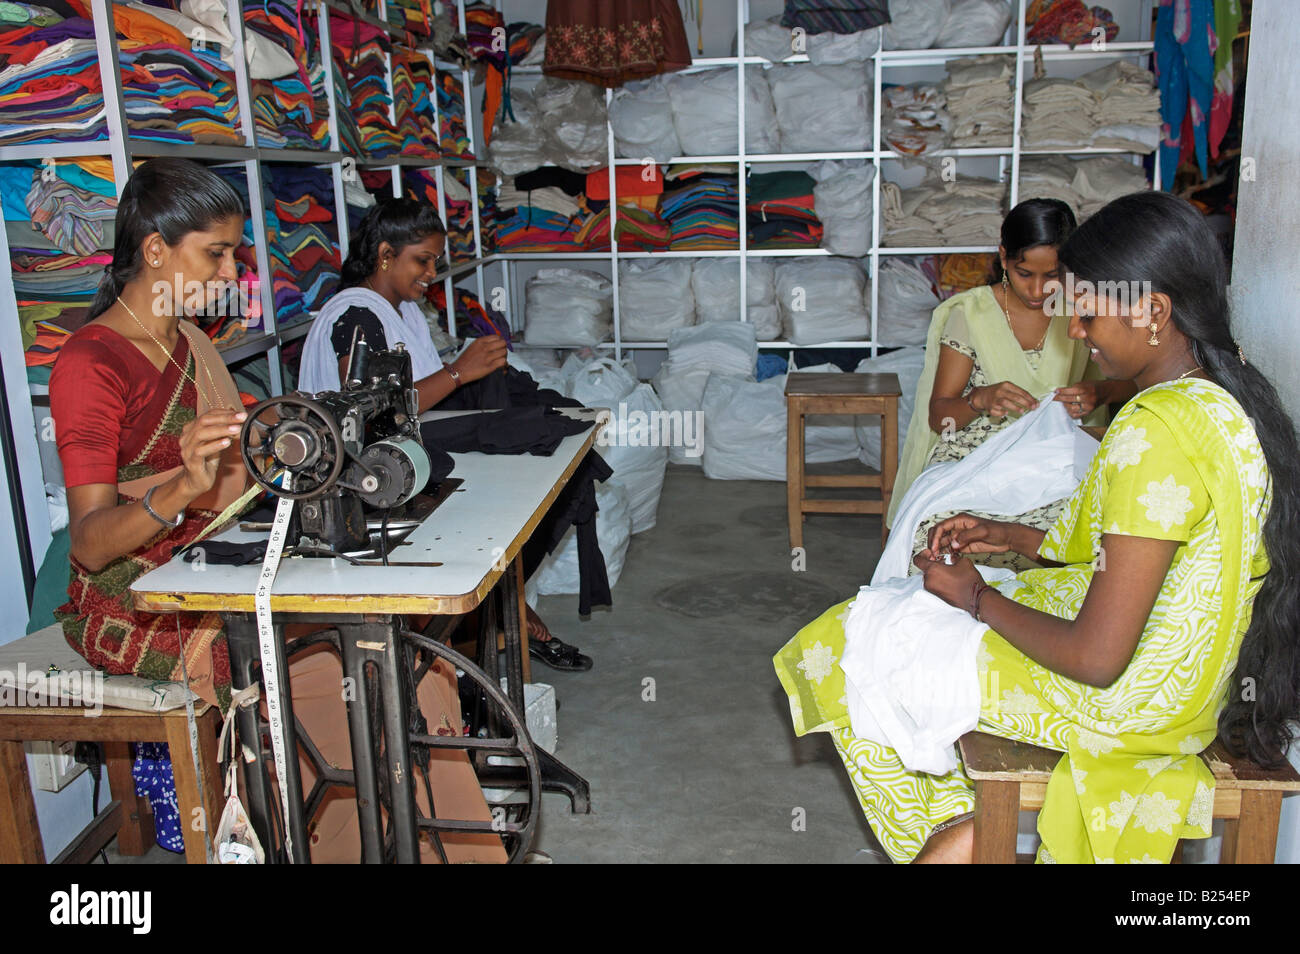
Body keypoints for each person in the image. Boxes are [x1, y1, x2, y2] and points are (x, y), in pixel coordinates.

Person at [774, 191, 1300, 864]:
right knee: (905, 612)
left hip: (1127, 702)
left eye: (1085, 314)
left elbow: (1097, 659)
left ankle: (951, 843)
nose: (1073, 332)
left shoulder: (1154, 431)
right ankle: (963, 831)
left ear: (1154, 313)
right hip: (1188, 681)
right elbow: (1147, 555)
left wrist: (975, 598)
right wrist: (1011, 536)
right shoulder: (1219, 402)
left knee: (849, 647)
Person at [51, 159, 505, 862]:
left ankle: (444, 850)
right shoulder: (91, 362)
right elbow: (89, 545)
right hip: (133, 594)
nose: (233, 274)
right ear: (154, 250)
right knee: (333, 676)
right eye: (217, 253)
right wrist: (178, 491)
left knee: (410, 658)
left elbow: (240, 476)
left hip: (217, 555)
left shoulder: (192, 341)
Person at [301, 197, 594, 672]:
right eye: (422, 260)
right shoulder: (356, 316)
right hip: (359, 477)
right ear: (384, 254)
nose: (431, 273)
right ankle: (488, 624)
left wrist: (472, 372)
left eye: (435, 261)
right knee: (507, 487)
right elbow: (372, 410)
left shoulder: (401, 310)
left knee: (556, 460)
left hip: (397, 457)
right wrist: (460, 373)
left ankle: (498, 607)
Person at [888, 198, 1136, 570]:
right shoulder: (970, 314)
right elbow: (940, 417)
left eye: (1051, 275)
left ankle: (1042, 619)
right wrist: (978, 399)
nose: (1038, 291)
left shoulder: (1082, 311)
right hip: (972, 456)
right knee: (938, 534)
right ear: (1003, 258)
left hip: (1051, 453)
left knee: (1083, 532)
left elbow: (1134, 384)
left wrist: (1099, 392)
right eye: (1024, 274)